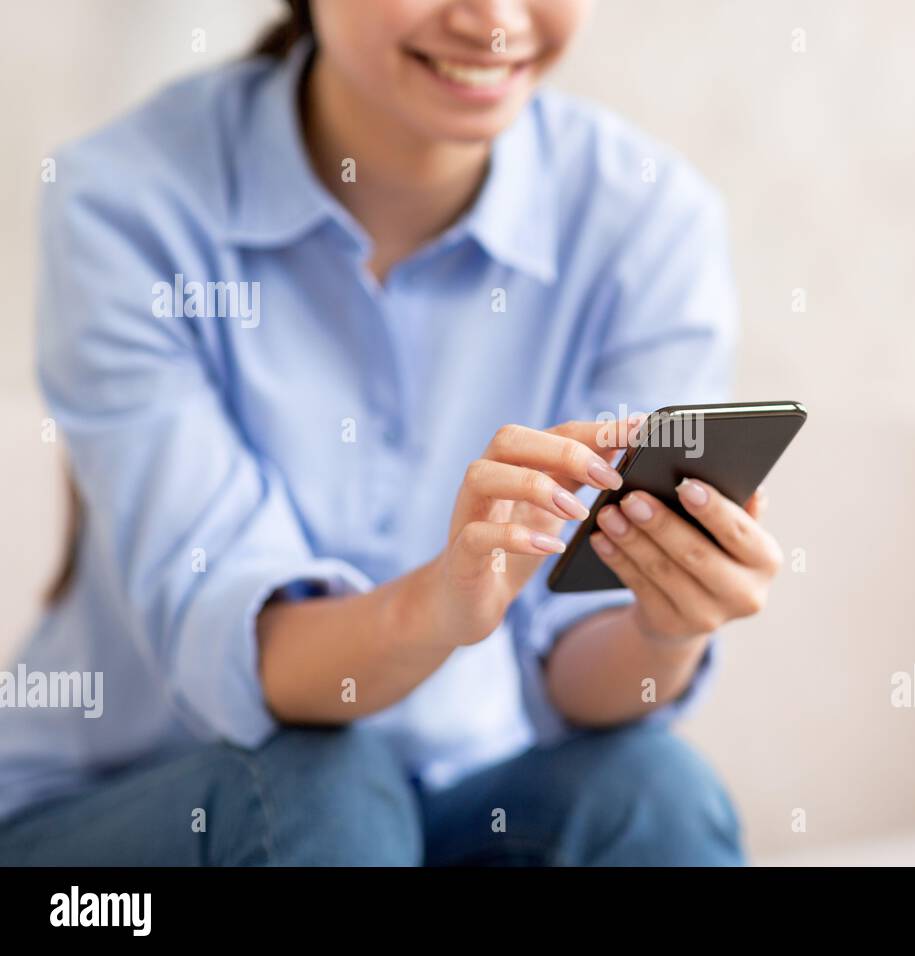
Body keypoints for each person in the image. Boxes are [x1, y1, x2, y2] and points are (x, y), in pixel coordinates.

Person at [0, 0, 785, 866]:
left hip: (437, 810)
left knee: (654, 791)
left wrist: (667, 625)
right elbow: (258, 660)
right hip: (128, 817)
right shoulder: (126, 202)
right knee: (324, 787)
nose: (493, 19)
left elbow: (582, 676)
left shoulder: (647, 220)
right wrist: (440, 604)